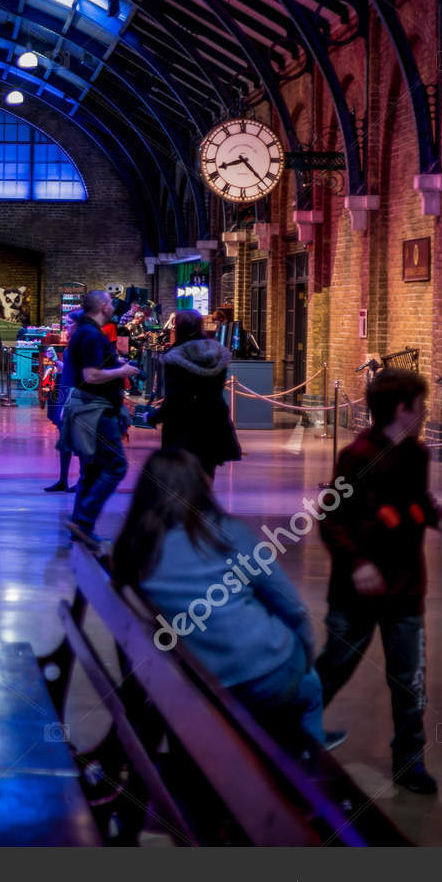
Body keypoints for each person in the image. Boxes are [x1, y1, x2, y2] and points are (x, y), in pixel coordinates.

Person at [111, 449, 327, 751]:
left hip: (197, 675)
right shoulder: (227, 532)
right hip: (265, 670)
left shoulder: (135, 548)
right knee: (310, 687)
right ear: (200, 486)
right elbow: (292, 606)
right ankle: (308, 767)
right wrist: (306, 656)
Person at [315, 369, 442, 795]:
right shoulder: (357, 457)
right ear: (403, 409)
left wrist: (441, 518)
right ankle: (289, 733)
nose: (425, 412)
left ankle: (409, 759)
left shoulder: (415, 455)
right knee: (334, 666)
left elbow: (419, 501)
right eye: (420, 405)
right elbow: (331, 519)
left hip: (405, 588)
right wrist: (357, 563)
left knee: (409, 677)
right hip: (356, 593)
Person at [62, 290, 140, 549]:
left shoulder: (87, 332)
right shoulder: (91, 334)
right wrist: (122, 371)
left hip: (89, 407)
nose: (114, 307)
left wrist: (114, 363)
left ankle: (80, 529)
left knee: (92, 470)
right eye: (111, 302)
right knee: (116, 466)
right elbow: (91, 375)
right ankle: (84, 521)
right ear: (103, 306)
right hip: (94, 410)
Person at [147, 309, 241, 478]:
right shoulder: (216, 354)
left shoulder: (175, 357)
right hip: (212, 421)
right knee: (206, 473)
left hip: (183, 423)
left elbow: (175, 397)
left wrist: (155, 416)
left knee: (180, 477)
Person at [45, 313, 82, 492]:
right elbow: (67, 369)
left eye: (69, 323)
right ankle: (63, 479)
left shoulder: (81, 344)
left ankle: (82, 480)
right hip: (65, 389)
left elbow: (80, 374)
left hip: (73, 393)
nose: (66, 326)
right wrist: (55, 361)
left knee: (78, 439)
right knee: (65, 437)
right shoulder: (73, 343)